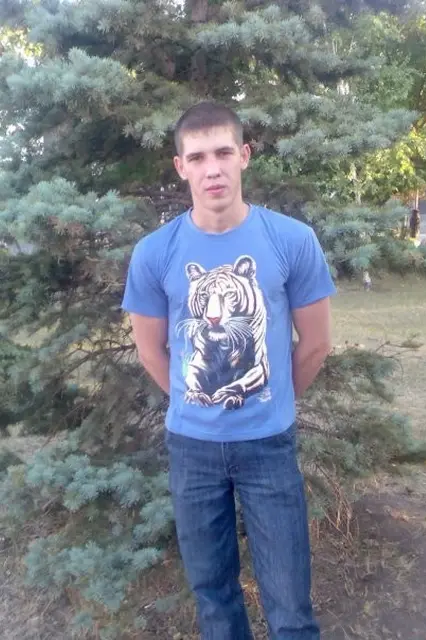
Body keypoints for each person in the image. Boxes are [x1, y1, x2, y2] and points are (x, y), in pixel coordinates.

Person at [122, 102, 336, 639]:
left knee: (290, 606)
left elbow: (316, 344)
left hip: (269, 445)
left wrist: (271, 399)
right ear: (181, 167)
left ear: (244, 156)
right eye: (197, 157)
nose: (212, 169)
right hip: (191, 450)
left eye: (222, 153)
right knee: (214, 600)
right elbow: (150, 350)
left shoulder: (292, 240)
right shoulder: (154, 252)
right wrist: (197, 402)